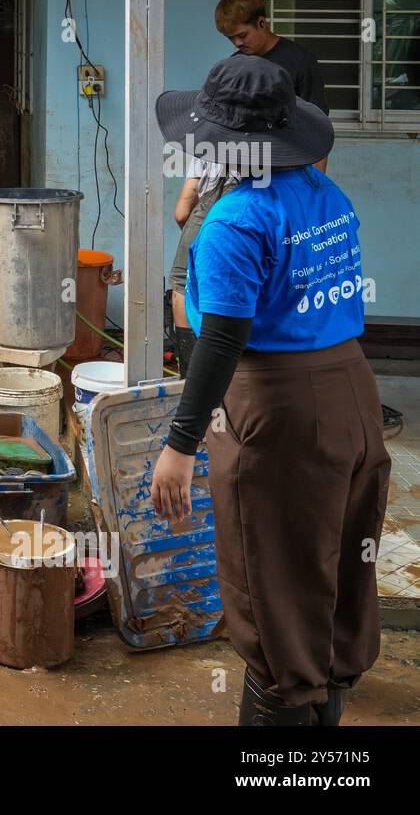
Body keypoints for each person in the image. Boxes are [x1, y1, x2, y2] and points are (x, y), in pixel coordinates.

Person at [150, 54, 390, 726]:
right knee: (334, 581)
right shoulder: (325, 195)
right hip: (353, 393)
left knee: (273, 594)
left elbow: (222, 341)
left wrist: (179, 443)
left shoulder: (235, 221)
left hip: (279, 411)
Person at [168, 157, 242, 375]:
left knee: (183, 282)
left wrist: (202, 244)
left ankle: (190, 374)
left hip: (208, 206)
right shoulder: (281, 139)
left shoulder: (207, 136)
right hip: (249, 203)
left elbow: (182, 212)